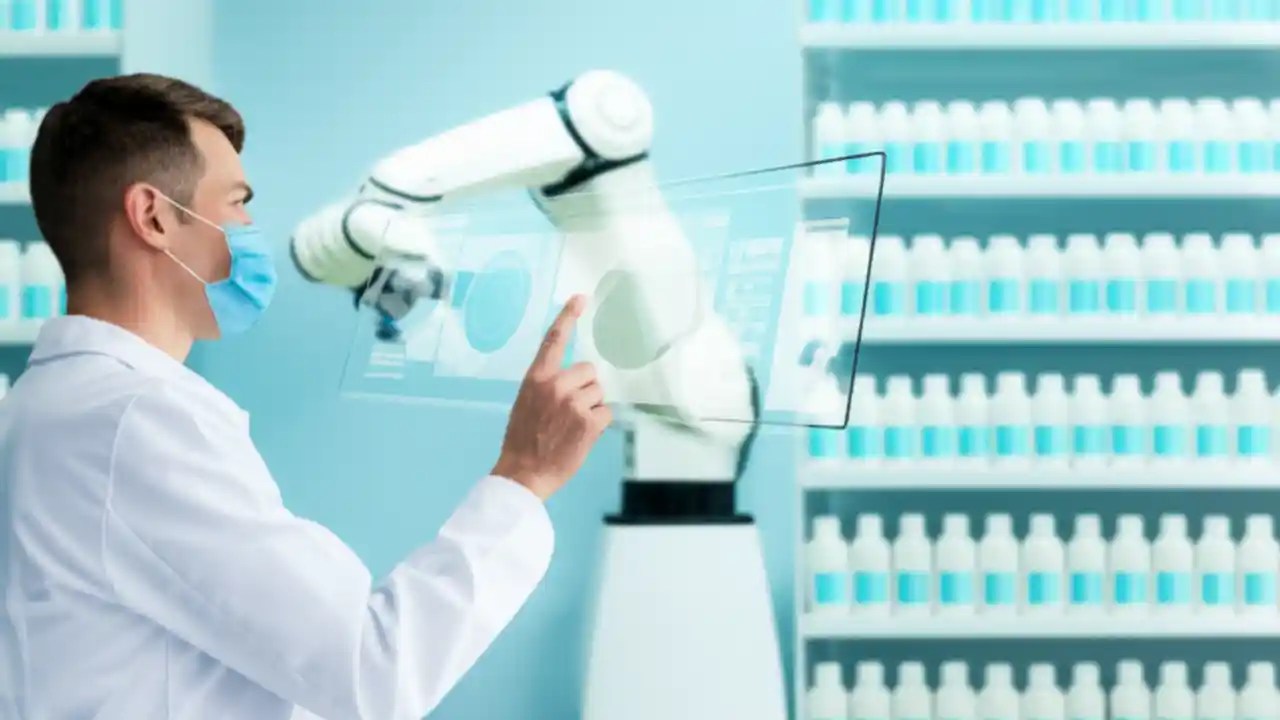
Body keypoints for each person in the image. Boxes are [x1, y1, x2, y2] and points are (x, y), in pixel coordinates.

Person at [0, 73, 612, 719]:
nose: (250, 228)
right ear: (153, 216)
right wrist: (525, 474)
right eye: (236, 203)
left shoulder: (40, 406)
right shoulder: (136, 423)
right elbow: (373, 673)